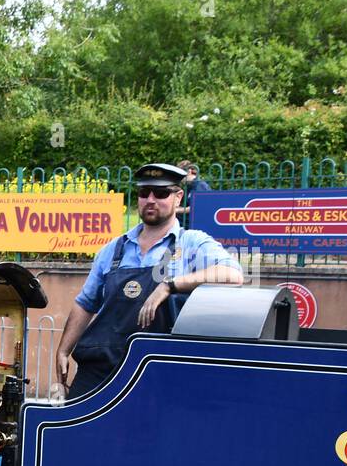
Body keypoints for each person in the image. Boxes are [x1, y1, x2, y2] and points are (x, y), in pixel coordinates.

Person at [55, 163, 244, 401]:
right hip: (100, 370)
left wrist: (169, 285)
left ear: (178, 197)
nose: (150, 199)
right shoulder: (113, 249)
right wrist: (64, 350)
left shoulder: (192, 243)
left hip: (158, 374)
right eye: (144, 193)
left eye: (161, 193)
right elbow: (85, 303)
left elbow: (232, 275)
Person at [176, 160, 211, 227]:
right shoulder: (188, 186)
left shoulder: (200, 185)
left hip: (194, 223)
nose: (179, 179)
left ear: (189, 171)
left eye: (180, 175)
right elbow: (184, 205)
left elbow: (197, 207)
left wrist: (177, 210)